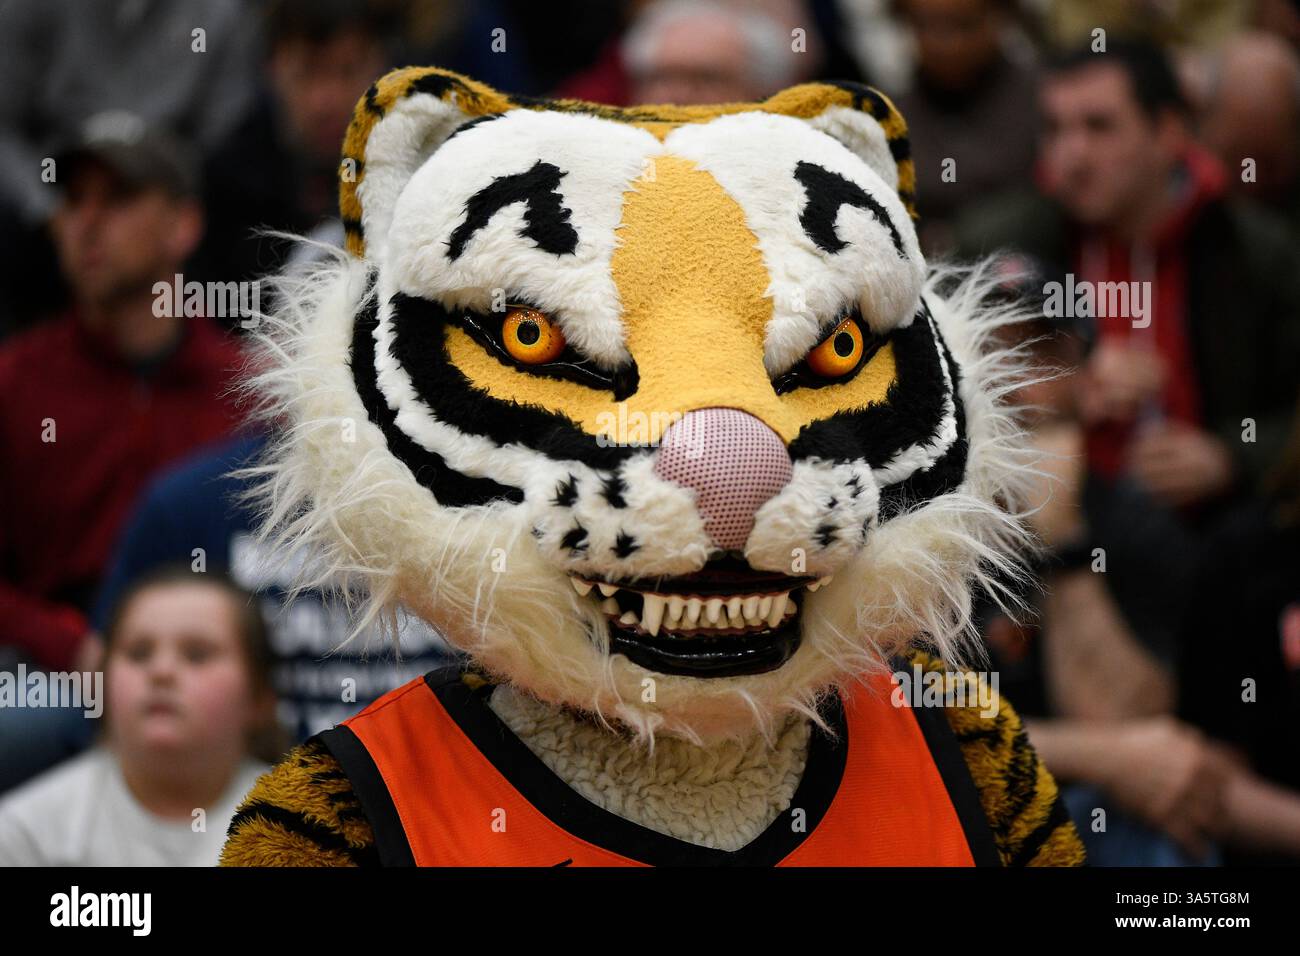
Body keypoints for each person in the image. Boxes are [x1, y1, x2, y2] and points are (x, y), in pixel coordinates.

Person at [0, 114, 246, 788]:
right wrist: (68, 643)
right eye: (73, 201)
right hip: (56, 671)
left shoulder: (246, 391)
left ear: (183, 226)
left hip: (218, 666)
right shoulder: (17, 381)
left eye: (118, 200)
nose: (86, 222)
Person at [956, 39, 1300, 516]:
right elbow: (946, 394)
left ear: (1168, 132)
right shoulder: (1000, 243)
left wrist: (1232, 457)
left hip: (1218, 528)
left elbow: (1289, 412)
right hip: (1052, 525)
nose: (1070, 155)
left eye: (1099, 127)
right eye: (1055, 129)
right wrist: (1060, 394)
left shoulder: (1257, 251)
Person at [93, 431, 455, 741]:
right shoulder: (187, 505)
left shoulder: (490, 503)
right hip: (251, 792)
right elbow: (107, 662)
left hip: (448, 786)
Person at [0, 567, 278, 866]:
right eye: (138, 653)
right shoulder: (27, 834)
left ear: (259, 697)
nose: (161, 672)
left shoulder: (306, 828)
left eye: (197, 654)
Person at [194, 0, 391, 290]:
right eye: (307, 73)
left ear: (381, 67)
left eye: (348, 71)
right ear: (272, 69)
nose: (326, 101)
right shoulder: (227, 185)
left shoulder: (421, 170)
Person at [893, 0, 1041, 254]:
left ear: (999, 18)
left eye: (964, 25)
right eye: (927, 26)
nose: (946, 43)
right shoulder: (891, 113)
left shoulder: (1043, 98)